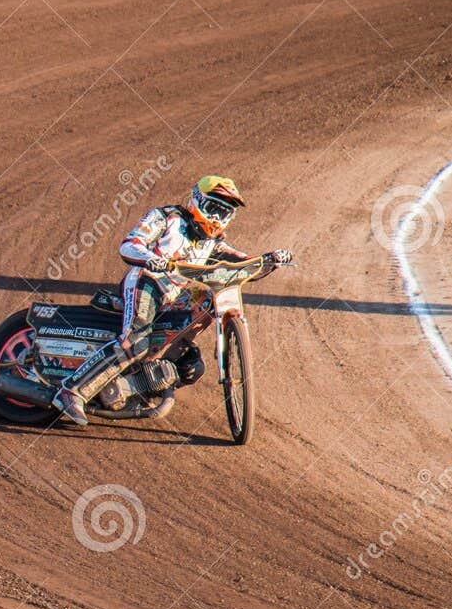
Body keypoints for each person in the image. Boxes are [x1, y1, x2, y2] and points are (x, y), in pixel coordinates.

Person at [54, 176, 290, 426]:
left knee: (191, 364)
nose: (217, 219)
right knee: (135, 343)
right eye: (213, 209)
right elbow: (129, 245)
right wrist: (150, 258)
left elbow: (242, 264)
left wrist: (270, 260)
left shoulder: (212, 243)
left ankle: (138, 388)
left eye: (225, 213)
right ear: (196, 201)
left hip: (172, 297)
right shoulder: (167, 217)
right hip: (147, 282)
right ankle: (72, 391)